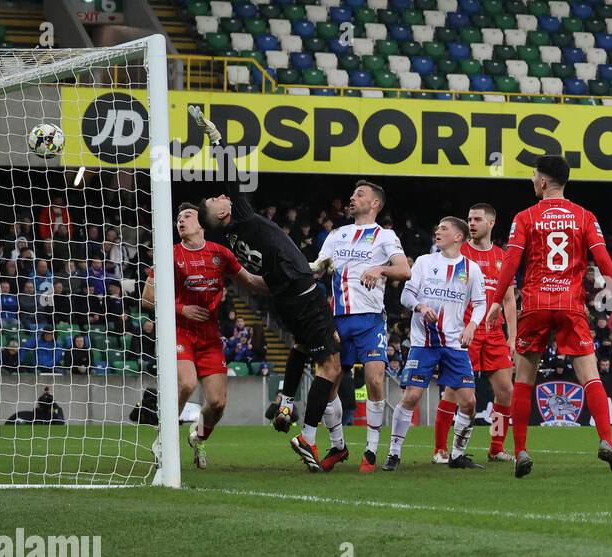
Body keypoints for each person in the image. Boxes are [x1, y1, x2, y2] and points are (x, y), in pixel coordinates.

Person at [188, 105, 342, 472]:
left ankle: (286, 399)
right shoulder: (239, 216)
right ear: (224, 212)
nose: (222, 198)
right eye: (217, 201)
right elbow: (231, 175)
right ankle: (307, 435)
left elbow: (264, 276)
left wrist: (308, 268)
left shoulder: (231, 235)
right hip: (301, 295)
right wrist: (215, 138)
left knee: (305, 346)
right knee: (332, 365)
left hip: (288, 294)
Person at [484, 155, 612, 479]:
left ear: (545, 181)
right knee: (590, 376)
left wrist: (496, 300)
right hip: (570, 304)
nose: (532, 180)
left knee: (523, 379)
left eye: (534, 175)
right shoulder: (584, 216)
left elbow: (511, 262)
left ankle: (521, 450)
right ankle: (606, 440)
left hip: (535, 304)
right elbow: (603, 259)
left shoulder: (525, 217)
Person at [142, 203, 268, 468]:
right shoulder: (169, 255)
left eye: (187, 216)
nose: (180, 220)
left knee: (218, 403)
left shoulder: (220, 254)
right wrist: (182, 309)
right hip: (179, 332)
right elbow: (147, 299)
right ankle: (163, 439)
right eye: (177, 218)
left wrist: (288, 281)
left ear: (201, 224)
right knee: (186, 383)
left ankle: (197, 437)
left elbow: (251, 281)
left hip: (210, 338)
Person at [310, 180, 411, 473]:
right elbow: (318, 269)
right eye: (353, 195)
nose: (352, 199)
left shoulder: (385, 236)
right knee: (329, 386)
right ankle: (338, 445)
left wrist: (380, 268)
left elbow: (404, 270)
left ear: (375, 204)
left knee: (375, 380)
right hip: (337, 320)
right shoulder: (337, 235)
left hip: (369, 320)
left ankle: (370, 451)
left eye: (359, 195)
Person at [386, 217, 486, 470]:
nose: (437, 231)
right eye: (437, 227)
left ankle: (457, 454)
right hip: (424, 343)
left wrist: (472, 326)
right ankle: (394, 453)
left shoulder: (471, 269)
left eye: (444, 228)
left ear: (458, 237)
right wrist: (420, 306)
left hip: (454, 345)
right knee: (412, 396)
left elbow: (480, 304)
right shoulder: (424, 262)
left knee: (470, 402)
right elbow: (407, 294)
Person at [462, 203, 517, 463]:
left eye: (477, 219)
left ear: (491, 223)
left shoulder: (503, 257)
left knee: (505, 390)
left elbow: (509, 300)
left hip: (494, 333)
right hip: (465, 330)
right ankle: (441, 448)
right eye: (469, 219)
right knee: (457, 392)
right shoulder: (460, 252)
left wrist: (513, 336)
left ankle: (496, 447)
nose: (471, 224)